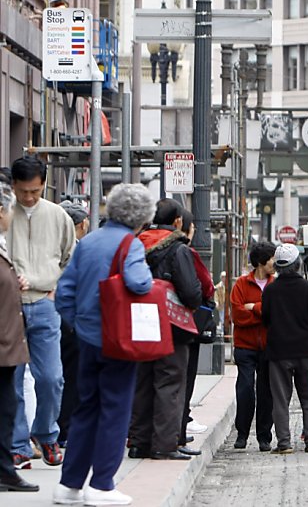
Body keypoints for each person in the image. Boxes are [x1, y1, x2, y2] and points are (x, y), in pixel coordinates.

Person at [53, 184, 155, 506]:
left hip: (87, 339)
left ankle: (69, 485)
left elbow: (65, 293)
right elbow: (139, 282)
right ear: (140, 217)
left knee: (86, 408)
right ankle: (101, 484)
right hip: (117, 340)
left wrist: (80, 324)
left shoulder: (89, 241)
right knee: (115, 409)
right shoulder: (131, 244)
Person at [8, 156, 75, 470]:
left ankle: (46, 434)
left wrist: (54, 287)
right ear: (14, 187)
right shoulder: (6, 214)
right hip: (8, 307)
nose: (29, 197)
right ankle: (19, 445)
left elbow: (68, 258)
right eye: (23, 191)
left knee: (52, 378)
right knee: (13, 379)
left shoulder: (57, 215)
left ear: (44, 184)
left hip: (45, 306)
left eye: (35, 191)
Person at [128, 199, 203, 461]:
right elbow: (192, 293)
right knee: (170, 381)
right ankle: (164, 444)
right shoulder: (177, 248)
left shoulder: (136, 243)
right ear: (178, 222)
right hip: (171, 325)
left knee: (143, 380)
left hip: (140, 321)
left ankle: (138, 442)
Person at [261, 244, 308, 454]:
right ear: (298, 265)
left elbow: (265, 318)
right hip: (306, 350)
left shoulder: (271, 290)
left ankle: (284, 443)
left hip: (278, 352)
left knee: (280, 400)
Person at [0, 176, 36, 493]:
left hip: (8, 346)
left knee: (8, 408)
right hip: (3, 346)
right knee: (6, 409)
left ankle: (5, 468)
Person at [229, 241, 277, 451]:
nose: (274, 263)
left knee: (266, 391)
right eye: (272, 259)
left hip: (269, 346)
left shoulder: (275, 285)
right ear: (260, 262)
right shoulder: (241, 284)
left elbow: (275, 314)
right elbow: (237, 316)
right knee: (245, 389)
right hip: (245, 346)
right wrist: (263, 312)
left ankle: (264, 436)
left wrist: (254, 308)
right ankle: (242, 433)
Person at [176, 210, 215, 451]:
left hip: (151, 324)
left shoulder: (145, 245)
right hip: (184, 324)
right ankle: (177, 432)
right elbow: (205, 286)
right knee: (182, 378)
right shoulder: (185, 252)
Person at [56, 202, 89, 447]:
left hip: (60, 319)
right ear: (80, 225)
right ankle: (64, 429)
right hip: (69, 322)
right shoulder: (76, 250)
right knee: (70, 377)